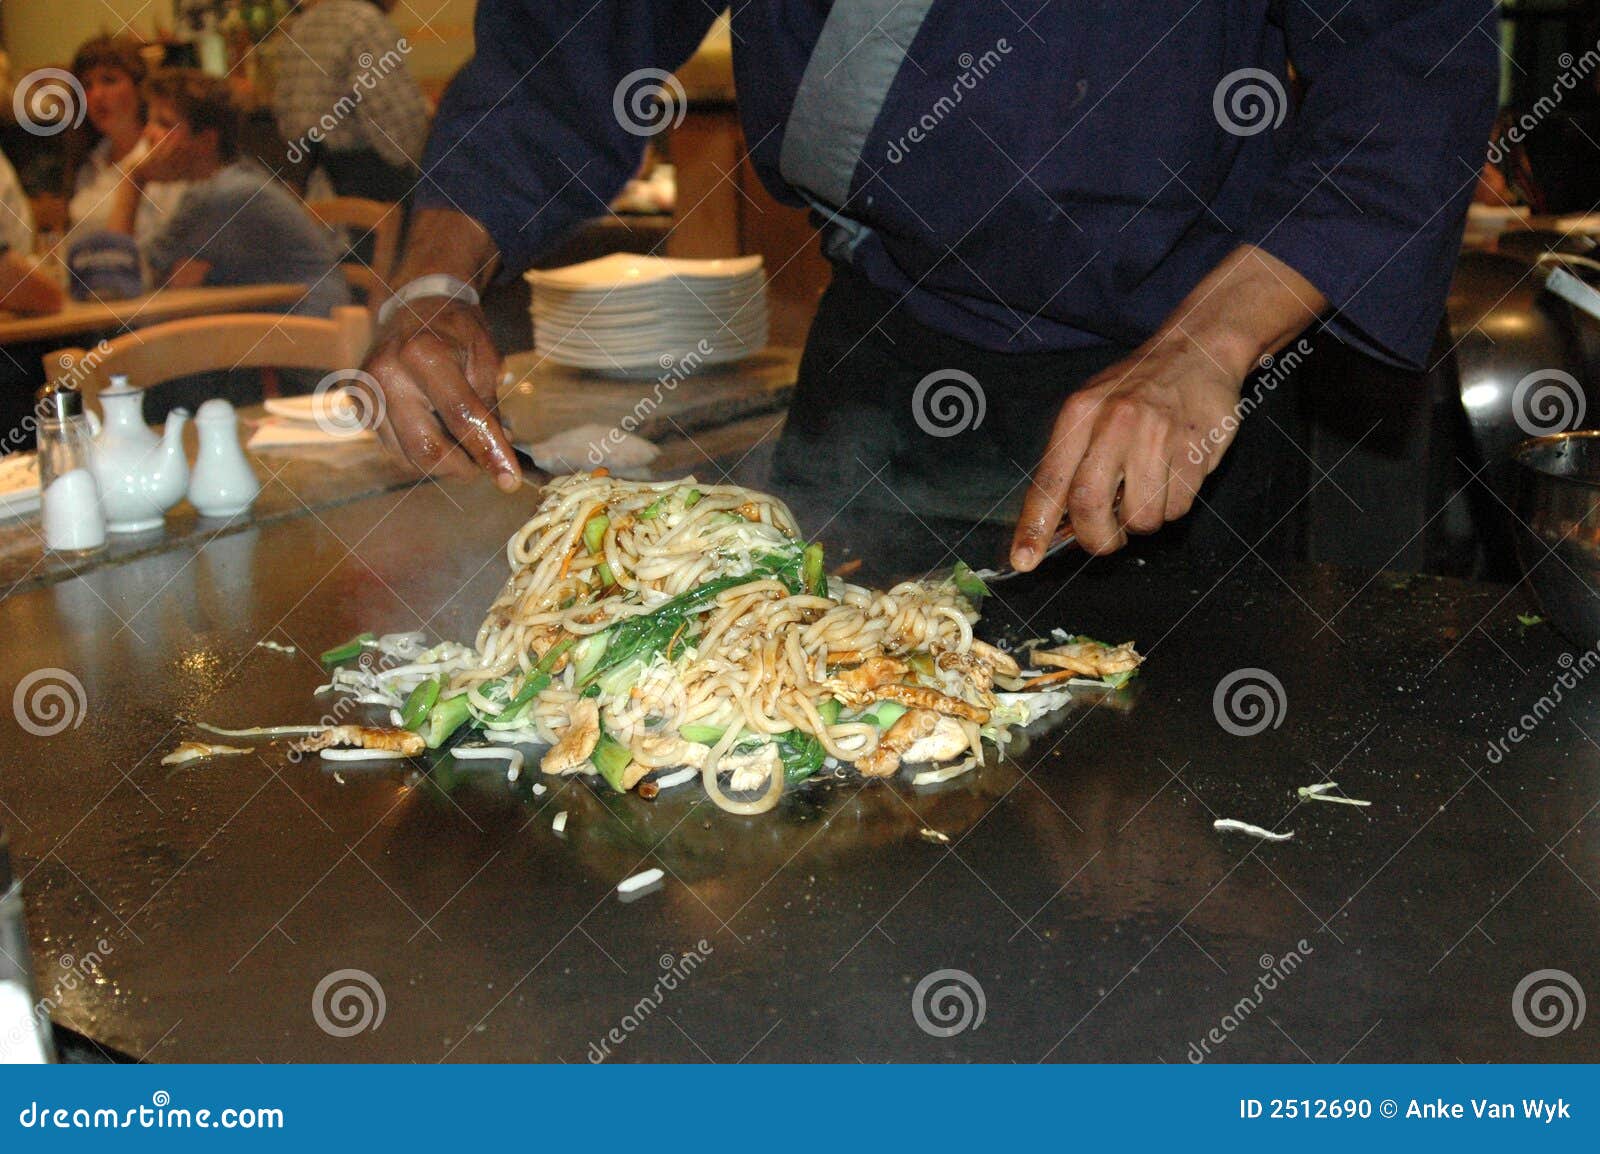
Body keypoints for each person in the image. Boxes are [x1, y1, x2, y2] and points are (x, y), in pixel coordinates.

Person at [362, 3, 1498, 570]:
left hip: (1182, 384)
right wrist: (429, 282)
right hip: (886, 347)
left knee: (1149, 863)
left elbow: (1411, 73)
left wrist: (1203, 349)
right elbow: (573, 36)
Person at [107, 68, 348, 318]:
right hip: (300, 324)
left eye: (164, 124)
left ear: (206, 141)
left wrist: (133, 180)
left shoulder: (219, 196)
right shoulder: (235, 178)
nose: (147, 134)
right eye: (149, 120)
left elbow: (114, 275)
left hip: (310, 335)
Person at [272, 0, 430, 203]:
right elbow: (401, 135)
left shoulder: (304, 25)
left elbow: (286, 117)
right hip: (372, 192)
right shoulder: (366, 25)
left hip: (316, 188)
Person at [62, 36, 186, 246]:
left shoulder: (160, 154)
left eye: (109, 80)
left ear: (140, 89)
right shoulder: (90, 162)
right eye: (87, 85)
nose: (96, 95)